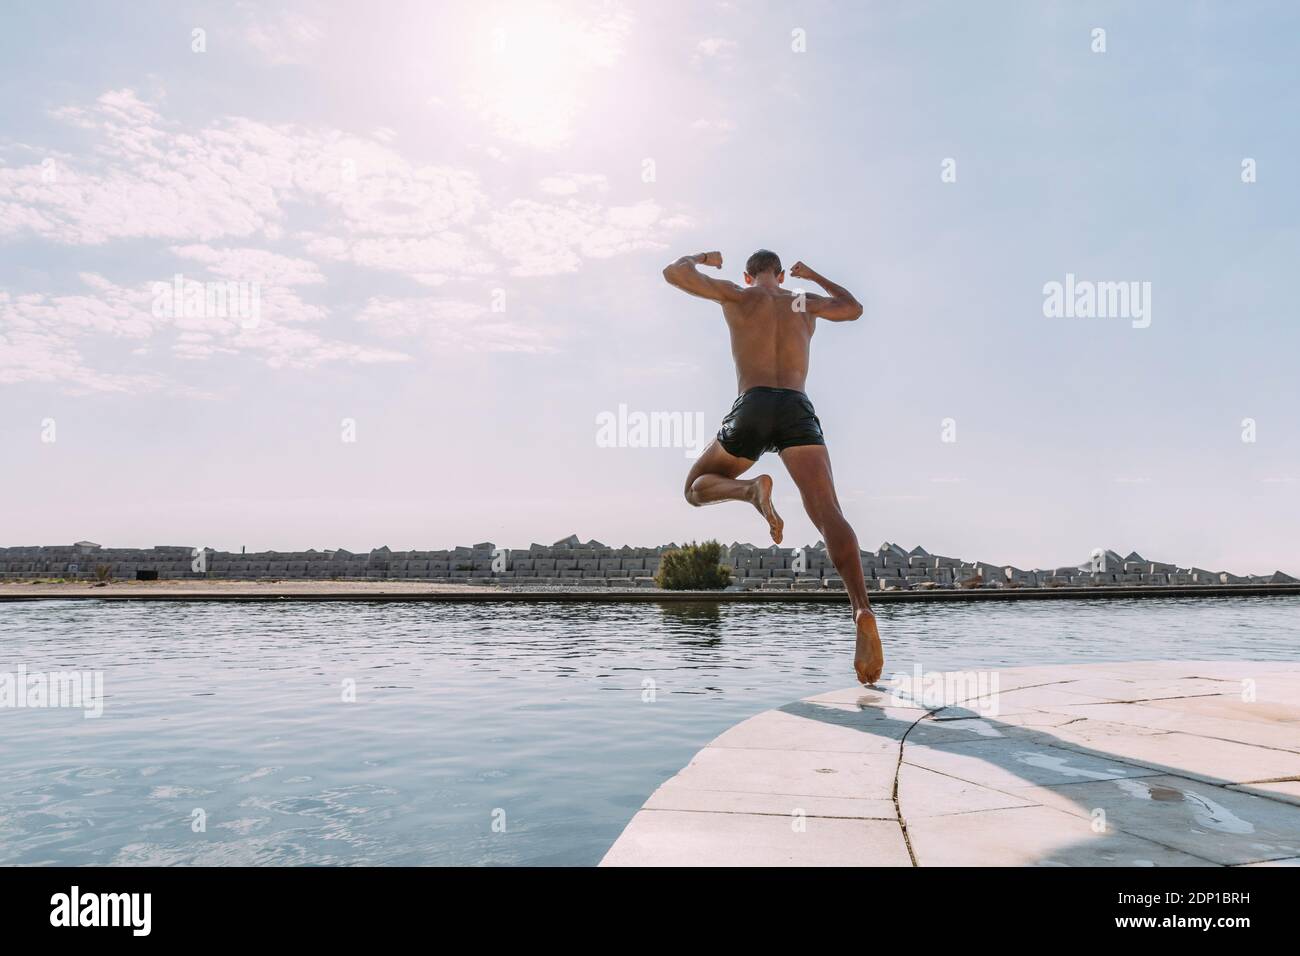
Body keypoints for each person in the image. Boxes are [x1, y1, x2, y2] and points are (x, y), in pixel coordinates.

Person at [662, 248, 884, 684]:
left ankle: (748, 490)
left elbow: (673, 273)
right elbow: (853, 309)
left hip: (754, 404)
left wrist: (702, 258)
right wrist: (814, 274)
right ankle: (860, 607)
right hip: (797, 408)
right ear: (780, 275)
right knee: (828, 513)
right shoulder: (799, 301)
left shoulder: (739, 296)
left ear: (748, 276)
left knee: (696, 487)